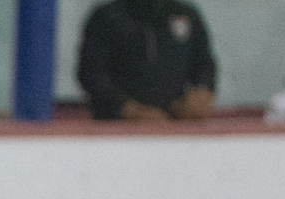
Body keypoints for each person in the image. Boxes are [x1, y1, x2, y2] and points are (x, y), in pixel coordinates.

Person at [77, 0, 217, 121]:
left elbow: (204, 64)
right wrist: (124, 109)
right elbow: (92, 72)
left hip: (177, 125)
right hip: (118, 128)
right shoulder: (107, 18)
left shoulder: (187, 15)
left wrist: (201, 94)